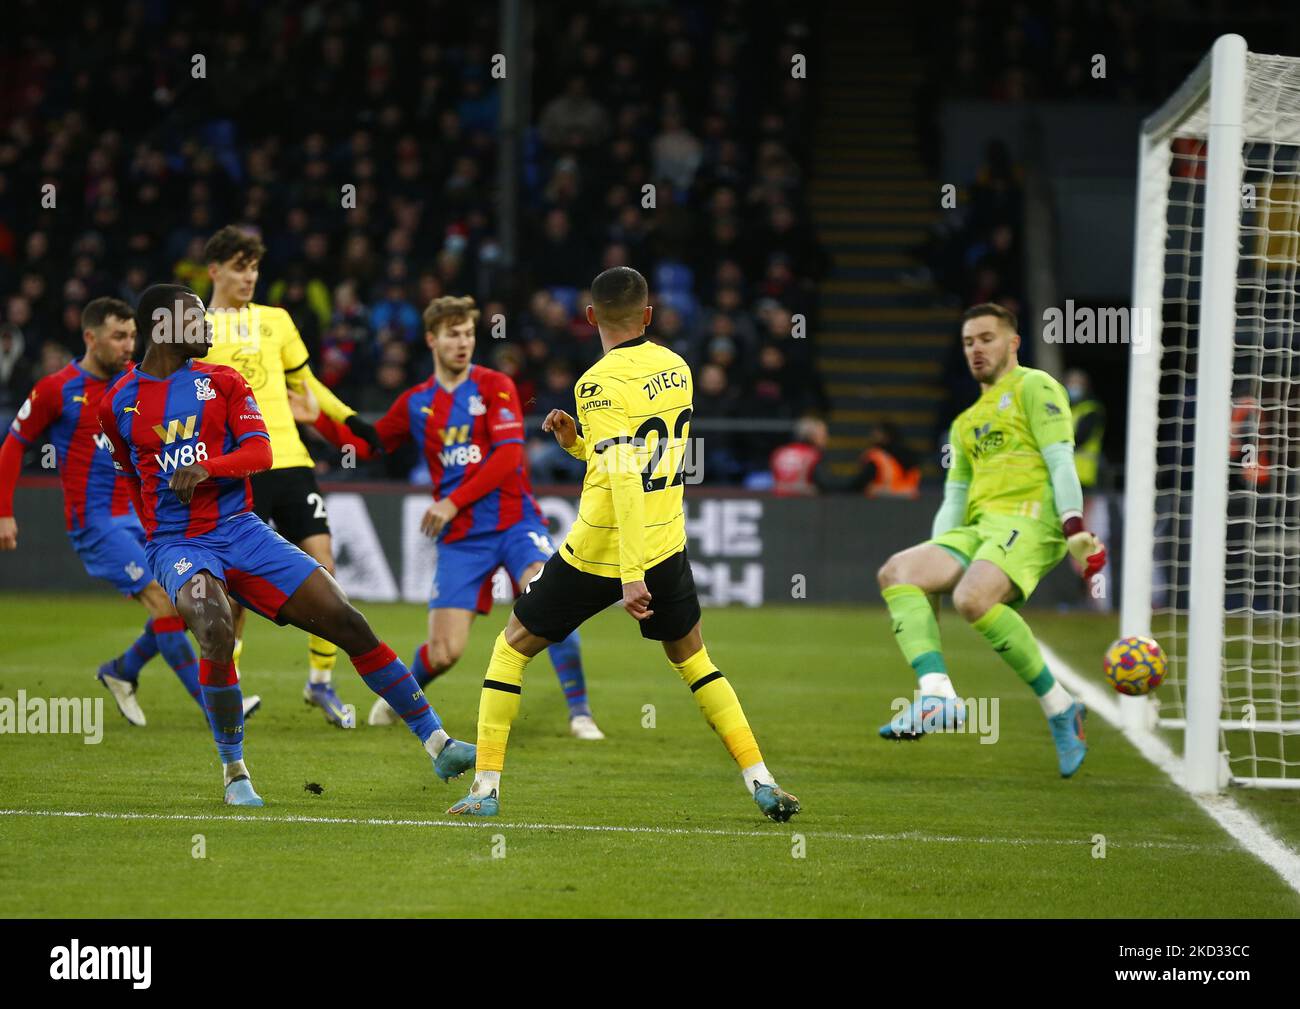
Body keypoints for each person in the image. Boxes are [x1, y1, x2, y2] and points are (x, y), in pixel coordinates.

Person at [443, 267, 799, 821]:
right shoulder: (677, 367)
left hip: (603, 550)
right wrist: (579, 444)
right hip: (665, 542)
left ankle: (485, 792)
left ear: (590, 317)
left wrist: (628, 573)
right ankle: (761, 780)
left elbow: (627, 477)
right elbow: (640, 458)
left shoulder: (597, 384)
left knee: (510, 648)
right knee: (695, 661)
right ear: (649, 315)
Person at [97, 284, 475, 805]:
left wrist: (210, 467)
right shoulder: (116, 402)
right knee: (214, 625)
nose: (209, 326)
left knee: (347, 621)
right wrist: (160, 538)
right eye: (198, 317)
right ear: (163, 326)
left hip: (242, 529)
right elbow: (131, 477)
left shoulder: (224, 382)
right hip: (179, 542)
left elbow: (260, 451)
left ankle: (439, 743)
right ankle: (235, 773)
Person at [296, 295, 604, 740]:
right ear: (432, 340)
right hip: (462, 540)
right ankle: (399, 697)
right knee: (444, 652)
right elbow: (368, 445)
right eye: (453, 335)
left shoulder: (495, 385)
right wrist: (319, 423)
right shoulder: (416, 402)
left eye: (468, 334)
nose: (463, 343)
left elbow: (506, 456)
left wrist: (451, 501)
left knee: (546, 597)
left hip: (516, 523)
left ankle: (580, 714)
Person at [0, 297, 258, 726]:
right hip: (97, 524)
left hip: (144, 519)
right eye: (118, 336)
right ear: (90, 337)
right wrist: (4, 511)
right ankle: (217, 707)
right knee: (165, 601)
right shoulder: (55, 389)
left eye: (132, 335)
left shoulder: (133, 387)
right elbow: (12, 447)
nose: (128, 345)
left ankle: (121, 671)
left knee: (218, 601)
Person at [875, 303, 1106, 777]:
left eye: (986, 338)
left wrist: (1074, 525)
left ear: (1012, 342)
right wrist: (936, 557)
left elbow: (1061, 459)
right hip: (980, 528)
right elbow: (953, 498)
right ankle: (937, 695)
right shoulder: (965, 423)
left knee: (973, 597)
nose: (976, 349)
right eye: (968, 342)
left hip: (1033, 518)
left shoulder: (1035, 386)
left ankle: (1058, 709)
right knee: (898, 571)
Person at [201, 226, 383, 728]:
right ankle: (228, 688)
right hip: (238, 468)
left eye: (255, 267)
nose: (249, 276)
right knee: (234, 587)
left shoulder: (277, 321)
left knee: (323, 568)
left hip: (292, 461)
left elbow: (307, 386)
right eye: (239, 266)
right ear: (214, 270)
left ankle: (321, 682)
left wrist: (350, 421)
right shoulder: (195, 328)